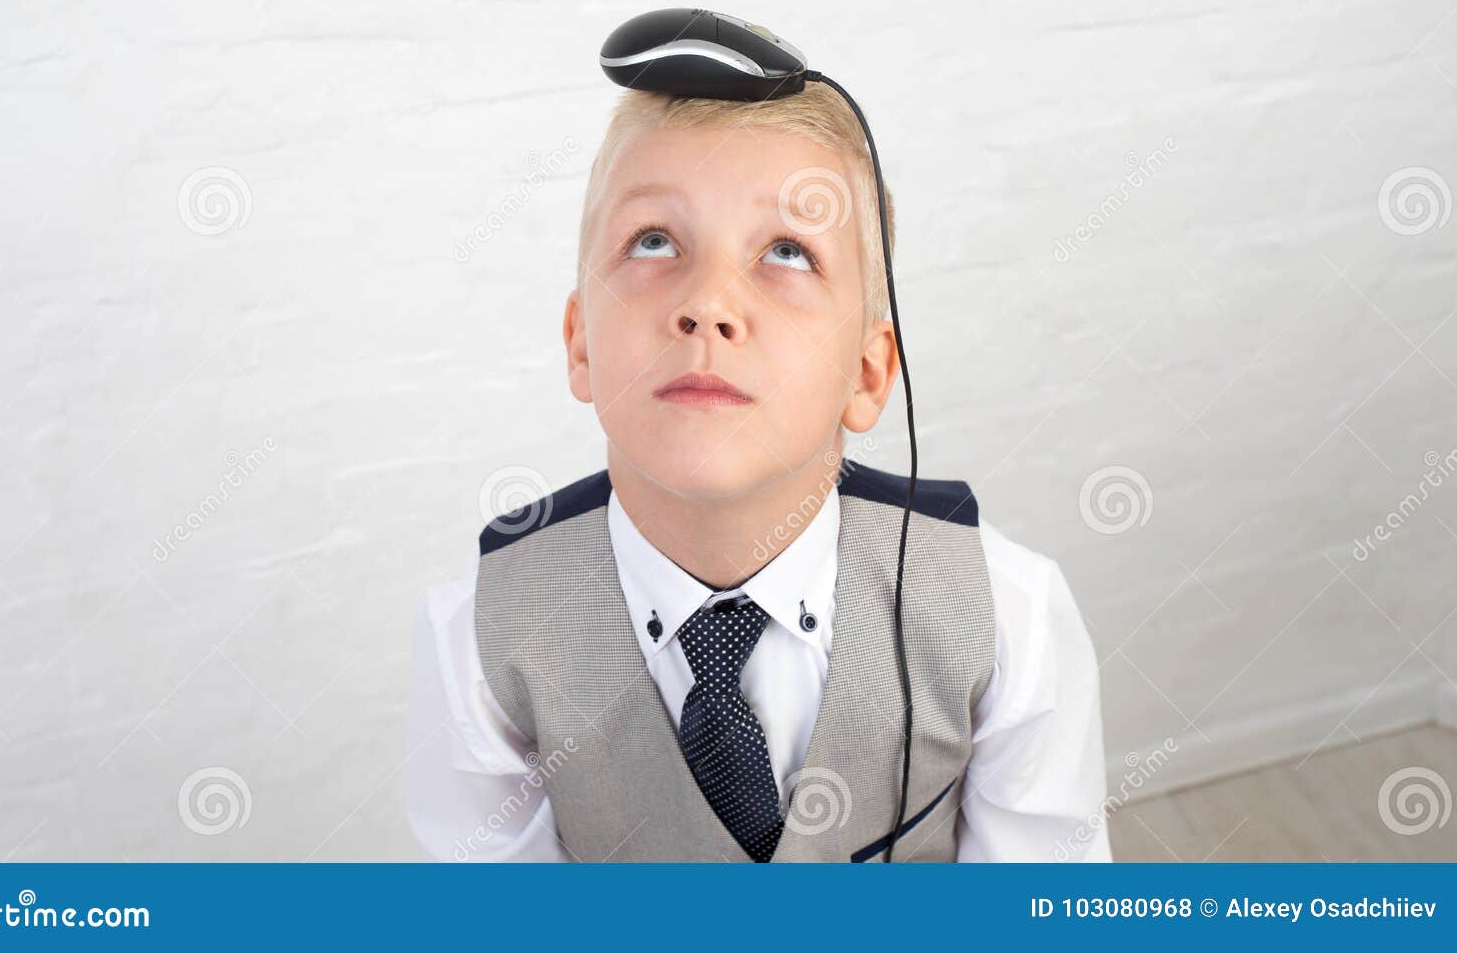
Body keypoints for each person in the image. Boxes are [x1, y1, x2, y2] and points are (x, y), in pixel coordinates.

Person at [406, 80, 1111, 862]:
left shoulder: (1009, 621)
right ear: (580, 344)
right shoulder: (478, 641)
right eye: (654, 241)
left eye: (787, 252)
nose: (708, 303)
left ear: (868, 373)